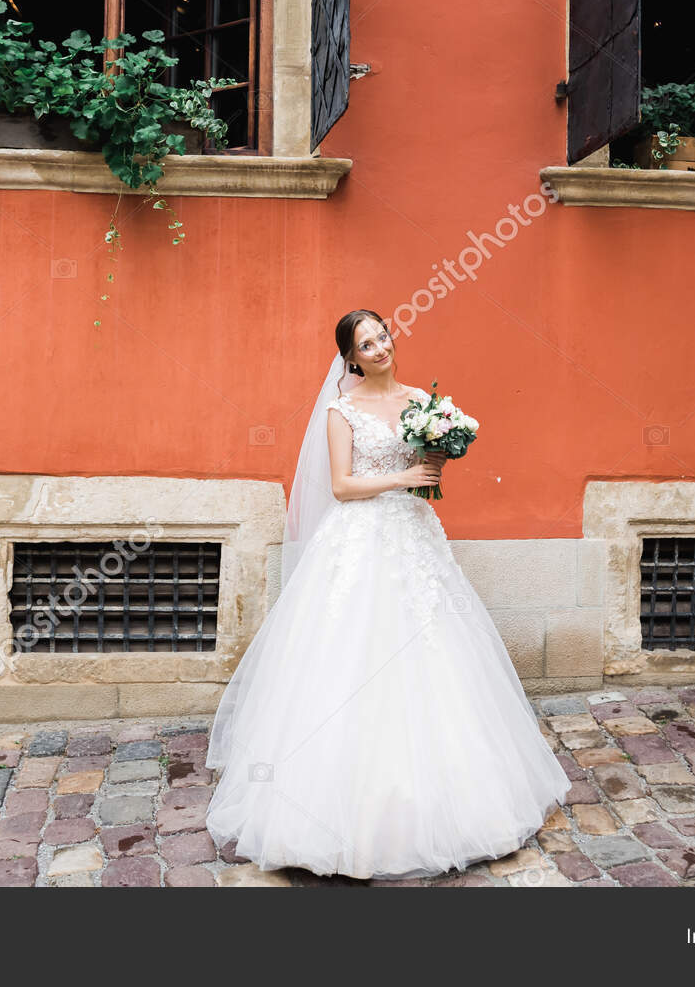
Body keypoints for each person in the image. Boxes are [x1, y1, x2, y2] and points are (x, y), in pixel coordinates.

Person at [202, 308, 571, 880]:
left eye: (383, 336)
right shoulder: (340, 410)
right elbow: (344, 487)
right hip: (360, 541)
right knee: (353, 650)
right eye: (365, 343)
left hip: (415, 539)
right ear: (350, 357)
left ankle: (457, 799)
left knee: (435, 650)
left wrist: (436, 461)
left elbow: (428, 478)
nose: (379, 347)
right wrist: (404, 478)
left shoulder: (422, 402)